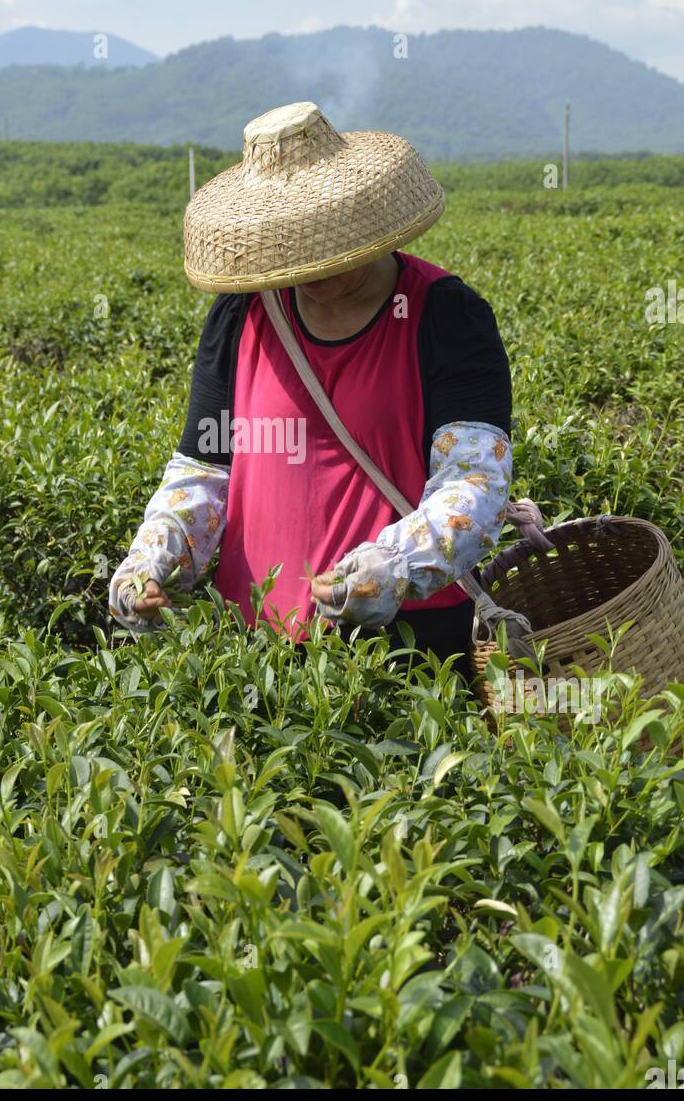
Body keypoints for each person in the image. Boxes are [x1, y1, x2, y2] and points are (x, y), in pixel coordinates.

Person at [109, 101, 512, 678]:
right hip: (257, 651)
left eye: (325, 243)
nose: (315, 269)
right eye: (295, 251)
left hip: (408, 645)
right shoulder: (240, 317)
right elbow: (203, 469)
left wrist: (392, 567)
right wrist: (154, 557)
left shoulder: (445, 316)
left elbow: (474, 481)